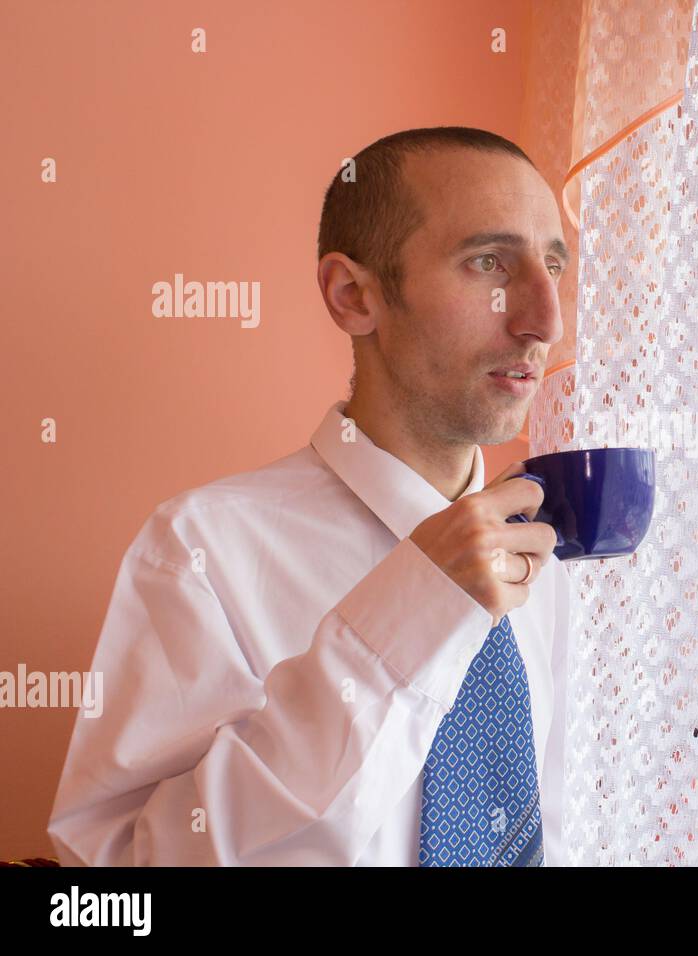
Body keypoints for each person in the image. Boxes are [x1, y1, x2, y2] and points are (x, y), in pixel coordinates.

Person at [46, 127, 574, 866]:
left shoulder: (544, 561)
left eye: (554, 265)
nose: (545, 321)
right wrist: (408, 618)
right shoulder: (199, 552)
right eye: (488, 263)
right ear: (353, 295)